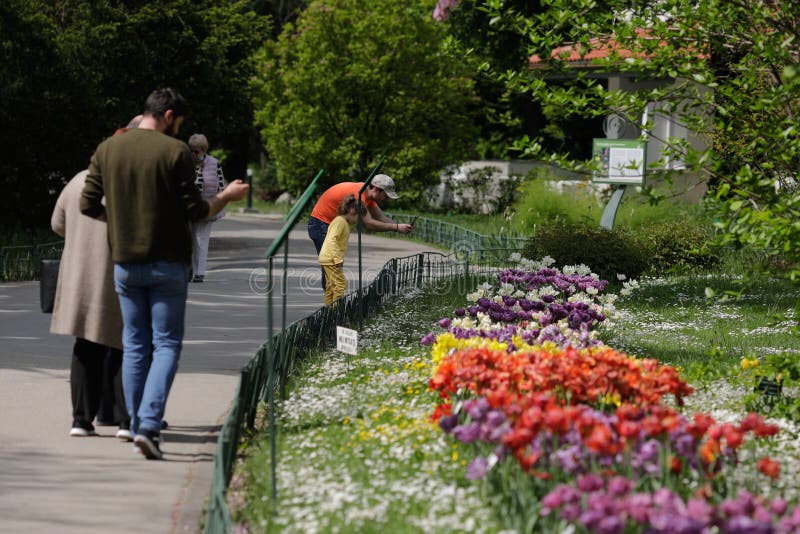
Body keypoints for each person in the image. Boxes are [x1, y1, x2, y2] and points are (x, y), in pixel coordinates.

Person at [80, 88, 249, 459]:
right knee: (167, 344)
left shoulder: (108, 148)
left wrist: (121, 225)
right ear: (169, 115)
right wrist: (226, 197)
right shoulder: (174, 152)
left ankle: (136, 424)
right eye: (179, 124)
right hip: (168, 263)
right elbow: (195, 210)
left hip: (125, 263)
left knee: (135, 344)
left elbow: (87, 203)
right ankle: (149, 424)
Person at [50, 167, 131, 440]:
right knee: (127, 345)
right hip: (119, 271)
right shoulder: (127, 180)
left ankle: (81, 419)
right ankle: (126, 420)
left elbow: (57, 224)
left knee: (86, 345)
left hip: (80, 274)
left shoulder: (77, 180)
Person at [308, 174, 413, 288]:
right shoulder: (359, 196)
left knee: (334, 267)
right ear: (376, 189)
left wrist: (401, 227)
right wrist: (396, 227)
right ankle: (334, 303)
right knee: (332, 267)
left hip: (332, 227)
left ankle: (333, 302)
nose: (386, 199)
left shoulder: (367, 195)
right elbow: (369, 223)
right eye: (386, 196)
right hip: (321, 224)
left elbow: (381, 217)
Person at [187, 133, 226, 283]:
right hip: (189, 208)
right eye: (191, 150)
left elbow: (221, 187)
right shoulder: (186, 163)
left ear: (203, 150)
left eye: (196, 151)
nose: (193, 154)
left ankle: (199, 273)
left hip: (207, 207)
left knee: (201, 240)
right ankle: (189, 268)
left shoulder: (215, 164)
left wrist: (218, 204)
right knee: (189, 240)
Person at [318, 194, 363, 306]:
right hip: (331, 259)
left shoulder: (342, 222)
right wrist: (337, 259)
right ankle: (336, 312)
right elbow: (332, 240)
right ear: (352, 211)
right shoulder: (340, 222)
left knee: (330, 286)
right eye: (359, 216)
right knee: (340, 285)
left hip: (328, 258)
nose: (359, 220)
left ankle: (329, 312)